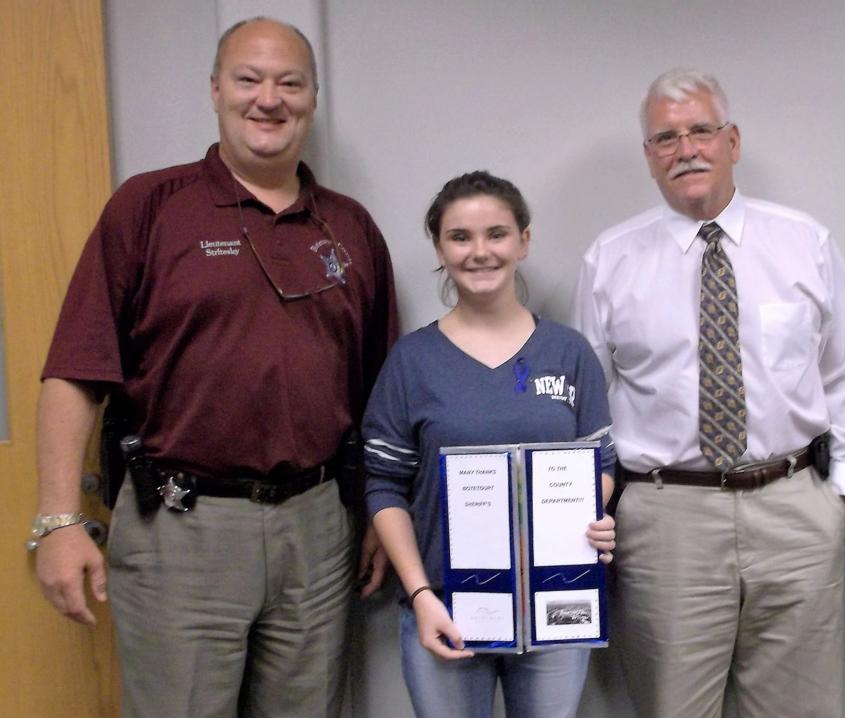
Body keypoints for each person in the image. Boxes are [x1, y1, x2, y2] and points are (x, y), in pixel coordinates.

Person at [33, 17, 398, 717]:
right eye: (248, 79)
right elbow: (78, 367)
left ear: (313, 100)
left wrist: (384, 514)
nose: (269, 99)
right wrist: (57, 520)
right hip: (182, 531)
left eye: (290, 83)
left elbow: (382, 396)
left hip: (320, 531)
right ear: (215, 91)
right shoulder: (149, 208)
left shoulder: (349, 229)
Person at [571, 68, 845, 718]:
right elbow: (587, 407)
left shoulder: (805, 244)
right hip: (666, 520)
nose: (686, 150)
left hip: (793, 508)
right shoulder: (611, 260)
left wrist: (840, 497)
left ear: (732, 141)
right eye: (666, 138)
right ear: (650, 157)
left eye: (701, 131)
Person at [362, 171, 617, 718]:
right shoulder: (412, 361)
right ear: (439, 247)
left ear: (524, 239)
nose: (480, 252)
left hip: (555, 610)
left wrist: (590, 517)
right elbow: (384, 487)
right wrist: (420, 596)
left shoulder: (568, 353)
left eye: (497, 234)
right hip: (446, 610)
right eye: (460, 237)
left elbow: (602, 464)